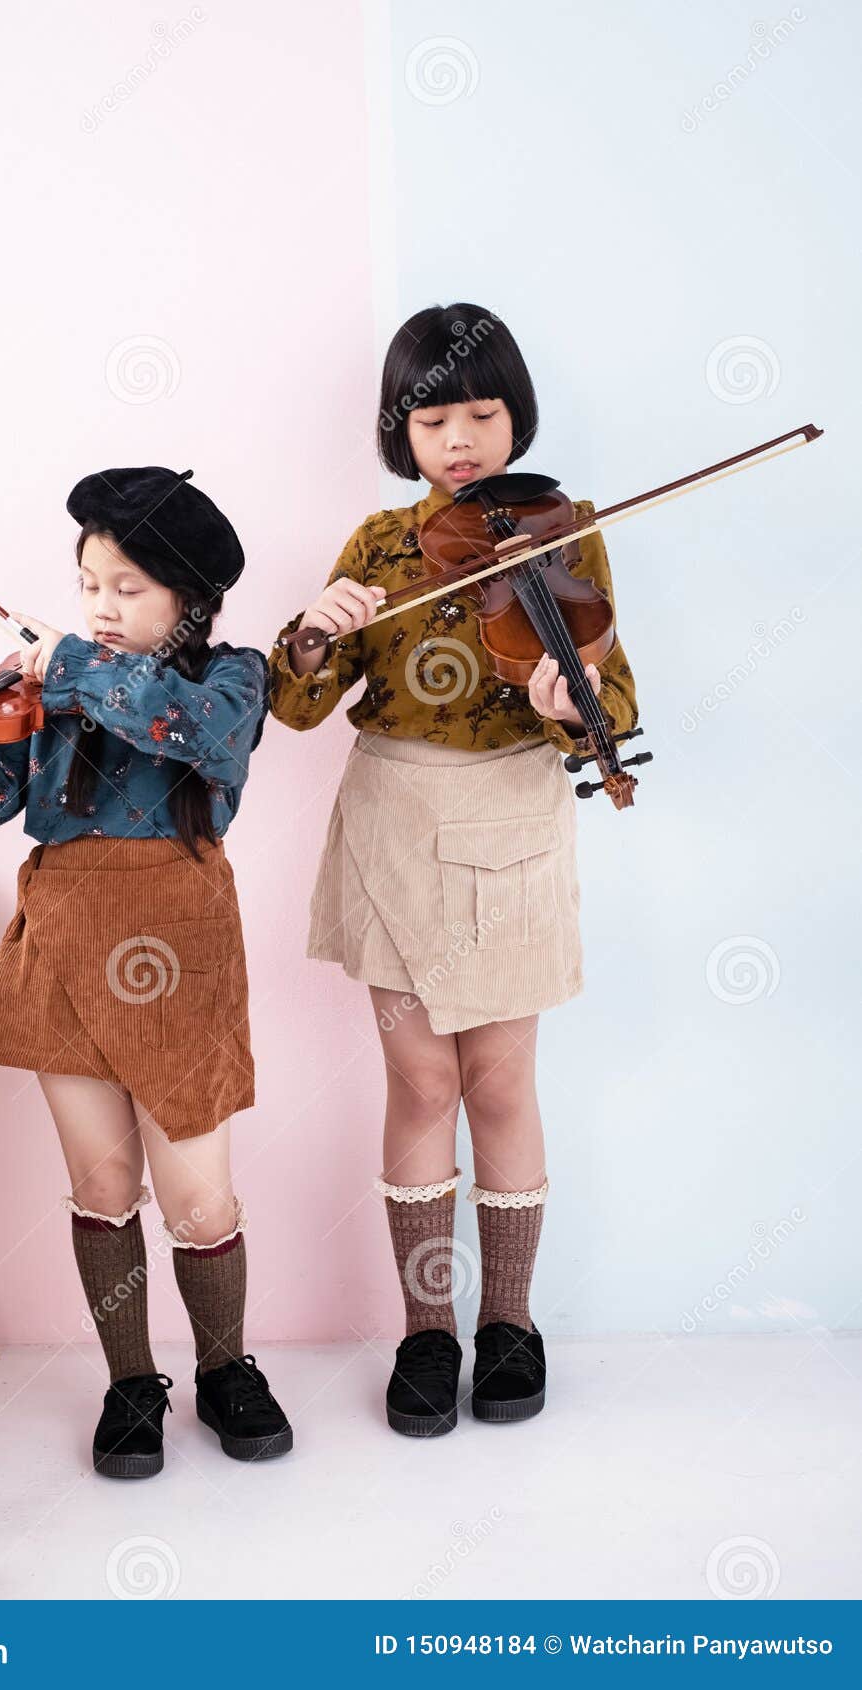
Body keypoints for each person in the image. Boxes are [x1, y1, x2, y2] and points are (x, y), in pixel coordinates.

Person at [266, 304, 639, 1437]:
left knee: (501, 1084)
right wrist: (311, 636)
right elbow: (292, 709)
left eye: (483, 412)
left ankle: (510, 1326)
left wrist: (573, 706)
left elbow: (615, 703)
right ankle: (428, 1331)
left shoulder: (560, 531)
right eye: (434, 418)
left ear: (516, 413)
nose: (462, 438)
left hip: (513, 818)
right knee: (421, 1084)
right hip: (395, 817)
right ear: (401, 429)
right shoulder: (379, 546)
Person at [0, 465, 292, 1478]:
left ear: (189, 599)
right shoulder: (48, 682)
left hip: (180, 946)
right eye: (88, 584)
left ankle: (226, 1367)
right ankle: (130, 1382)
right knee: (103, 1180)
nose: (101, 607)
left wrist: (71, 663)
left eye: (128, 587)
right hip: (64, 933)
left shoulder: (232, 677)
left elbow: (195, 734)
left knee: (199, 1201)